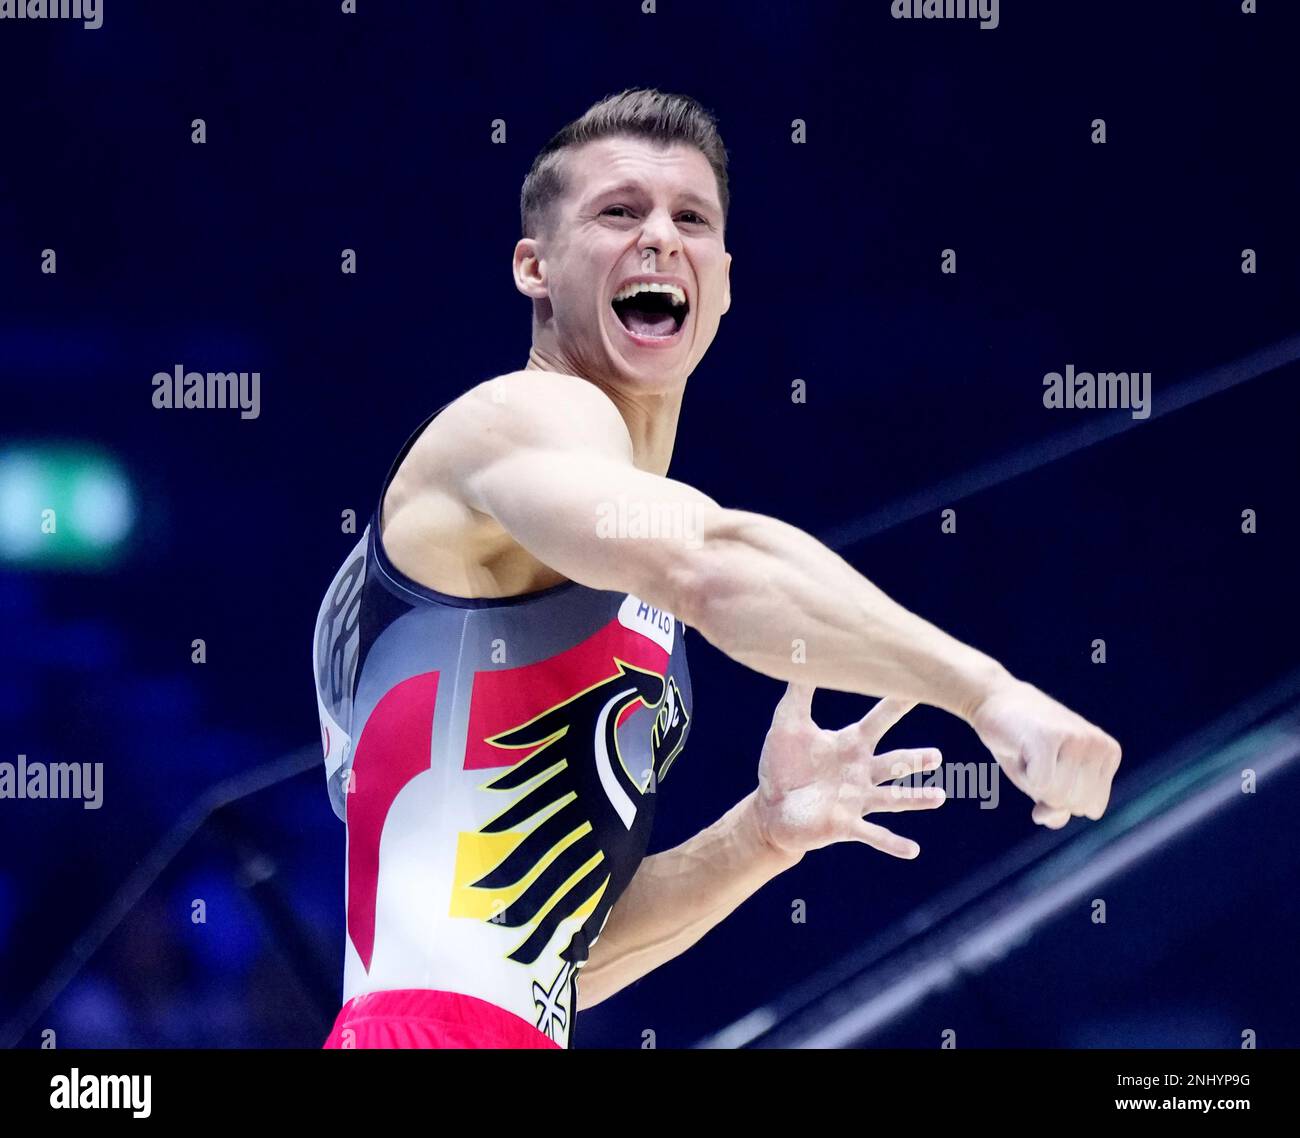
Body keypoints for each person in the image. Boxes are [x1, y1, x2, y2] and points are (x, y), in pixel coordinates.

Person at [312, 87, 1122, 1049]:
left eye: (690, 218)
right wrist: (988, 693)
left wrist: (763, 835)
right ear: (534, 266)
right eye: (619, 212)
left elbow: (556, 960)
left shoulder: (606, 578)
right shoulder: (520, 420)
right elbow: (715, 562)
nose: (659, 238)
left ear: (725, 281)